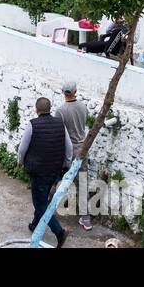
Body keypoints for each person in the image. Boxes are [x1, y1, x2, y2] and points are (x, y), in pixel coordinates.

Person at [16, 97, 72, 247]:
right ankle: (35, 225)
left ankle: (59, 232)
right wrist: (66, 164)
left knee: (39, 203)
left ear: (36, 109)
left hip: (39, 172)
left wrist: (20, 162)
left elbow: (22, 149)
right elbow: (69, 148)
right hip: (55, 170)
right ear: (50, 109)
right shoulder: (61, 124)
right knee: (43, 198)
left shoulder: (32, 125)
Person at [52, 82, 90, 230]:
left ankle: (48, 209)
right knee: (83, 182)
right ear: (75, 91)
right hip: (82, 148)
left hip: (67, 150)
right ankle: (86, 218)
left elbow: (59, 132)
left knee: (57, 178)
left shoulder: (60, 111)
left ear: (63, 92)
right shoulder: (82, 106)